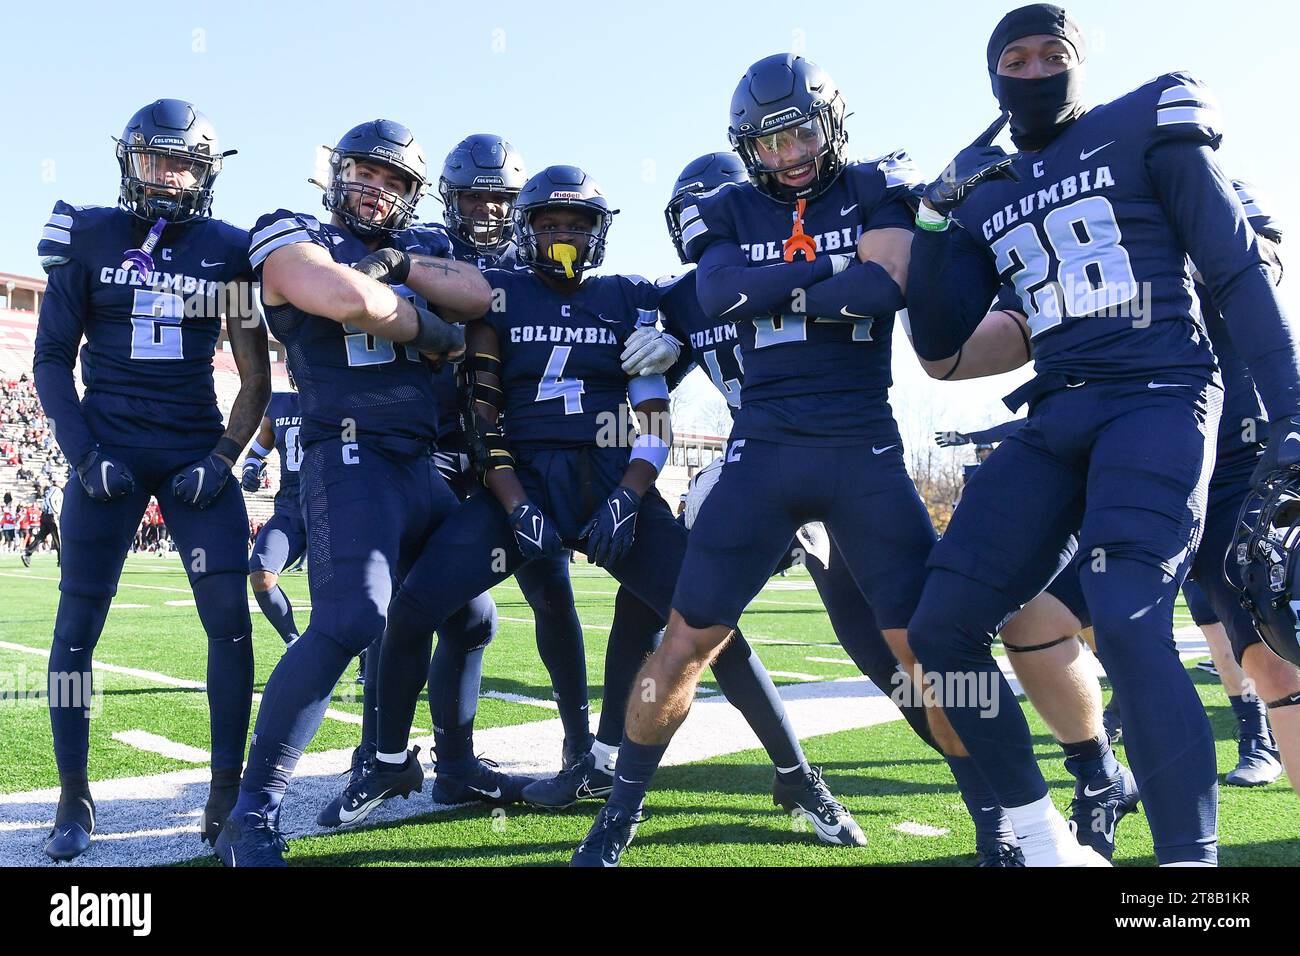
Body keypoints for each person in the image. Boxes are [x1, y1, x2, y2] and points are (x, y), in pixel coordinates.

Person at [346, 164, 866, 853]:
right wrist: (516, 503)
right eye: (551, 224)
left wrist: (630, 496)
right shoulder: (498, 295)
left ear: (600, 232)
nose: (564, 235)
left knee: (709, 630)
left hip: (609, 488)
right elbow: (483, 416)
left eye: (578, 225)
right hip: (524, 486)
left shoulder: (628, 298)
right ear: (527, 231)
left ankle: (797, 775)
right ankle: (387, 761)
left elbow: (654, 418)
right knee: (414, 608)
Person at [903, 4, 1300, 866]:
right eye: (1018, 56)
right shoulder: (989, 185)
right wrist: (935, 221)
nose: (1038, 69)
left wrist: (1293, 416)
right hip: (1058, 411)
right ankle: (1045, 839)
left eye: (1057, 54)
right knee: (940, 628)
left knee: (1128, 621)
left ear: (1083, 65)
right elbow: (936, 345)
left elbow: (1234, 271)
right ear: (993, 73)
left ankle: (1189, 874)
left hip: (1159, 393)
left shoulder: (1145, 123)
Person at [570, 54, 949, 867]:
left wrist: (770, 281)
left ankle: (994, 798)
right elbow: (655, 395)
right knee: (669, 627)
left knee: (891, 649)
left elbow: (881, 287)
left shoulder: (835, 205)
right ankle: (615, 777)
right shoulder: (683, 292)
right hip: (754, 463)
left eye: (797, 136)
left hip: (847, 451)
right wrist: (648, 399)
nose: (692, 223)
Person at [214, 119, 490, 867]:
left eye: (396, 180)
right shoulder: (289, 227)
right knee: (350, 619)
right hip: (351, 456)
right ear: (336, 174)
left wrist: (406, 268)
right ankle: (252, 814)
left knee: (472, 619)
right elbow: (344, 298)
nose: (377, 189)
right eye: (365, 173)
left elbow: (479, 292)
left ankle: (450, 767)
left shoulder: (421, 244)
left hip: (422, 467)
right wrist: (429, 330)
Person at [33, 98, 271, 860]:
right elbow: (48, 359)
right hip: (107, 449)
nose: (167, 177)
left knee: (229, 627)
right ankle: (74, 794)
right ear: (127, 161)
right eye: (154, 159)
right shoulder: (90, 232)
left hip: (193, 448)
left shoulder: (228, 250)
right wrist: (80, 450)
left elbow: (256, 373)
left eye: (182, 162)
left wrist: (224, 458)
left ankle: (224, 794)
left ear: (206, 172)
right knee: (76, 629)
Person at [240, 377, 305, 644]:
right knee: (261, 575)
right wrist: (250, 469)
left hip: (333, 506)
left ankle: (366, 657)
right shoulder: (278, 404)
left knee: (343, 590)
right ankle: (295, 645)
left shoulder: (339, 398)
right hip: (290, 507)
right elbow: (256, 452)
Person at [21, 479, 63, 566]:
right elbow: (50, 499)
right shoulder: (56, 489)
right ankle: (61, 560)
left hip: (45, 515)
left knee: (41, 536)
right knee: (57, 538)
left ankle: (27, 553)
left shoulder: (50, 490)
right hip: (51, 516)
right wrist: (56, 512)